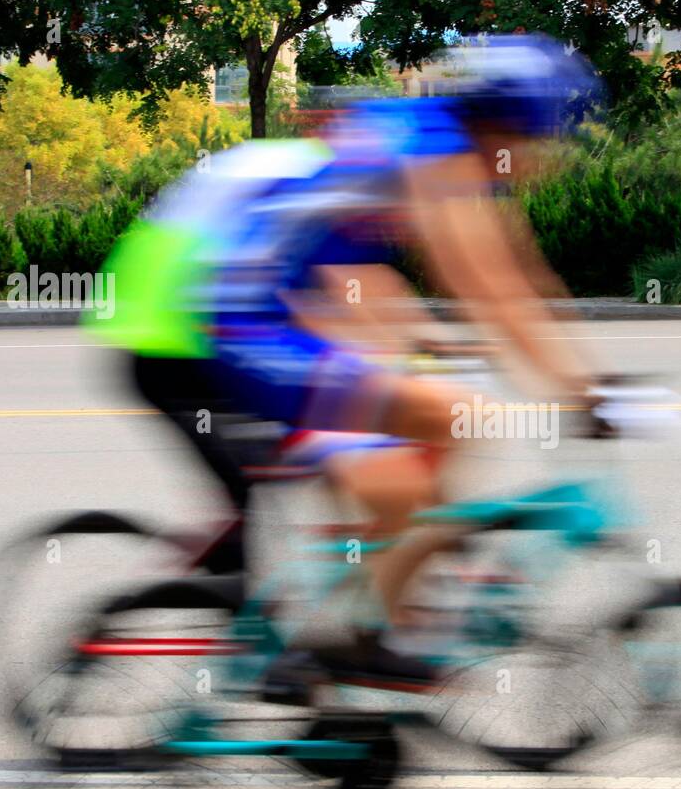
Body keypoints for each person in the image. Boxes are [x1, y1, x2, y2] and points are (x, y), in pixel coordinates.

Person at [93, 34, 604, 679]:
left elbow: (485, 275)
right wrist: (585, 390)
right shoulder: (438, 156)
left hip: (270, 309)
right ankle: (358, 635)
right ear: (511, 127)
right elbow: (488, 287)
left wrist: (428, 345)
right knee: (456, 421)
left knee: (417, 458)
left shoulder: (431, 142)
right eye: (549, 139)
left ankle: (363, 622)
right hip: (242, 317)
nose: (548, 159)